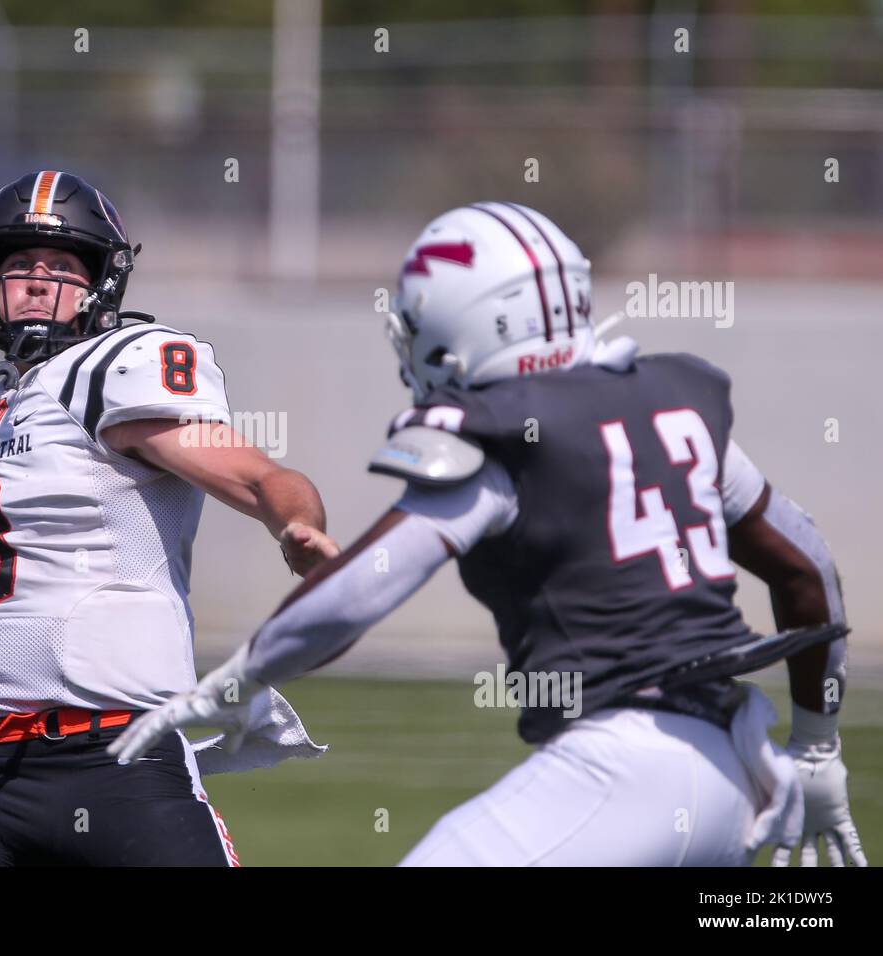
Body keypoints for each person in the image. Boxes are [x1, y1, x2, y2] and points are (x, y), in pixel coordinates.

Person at [111, 200, 866, 868]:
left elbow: (360, 592)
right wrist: (817, 746)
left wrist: (239, 677)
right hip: (740, 769)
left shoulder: (503, 431)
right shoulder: (675, 403)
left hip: (625, 769)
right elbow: (808, 572)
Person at [0, 170, 335, 866]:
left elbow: (261, 477)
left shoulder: (110, 372)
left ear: (102, 282)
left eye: (62, 266)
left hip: (120, 762)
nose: (39, 280)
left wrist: (295, 527)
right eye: (18, 265)